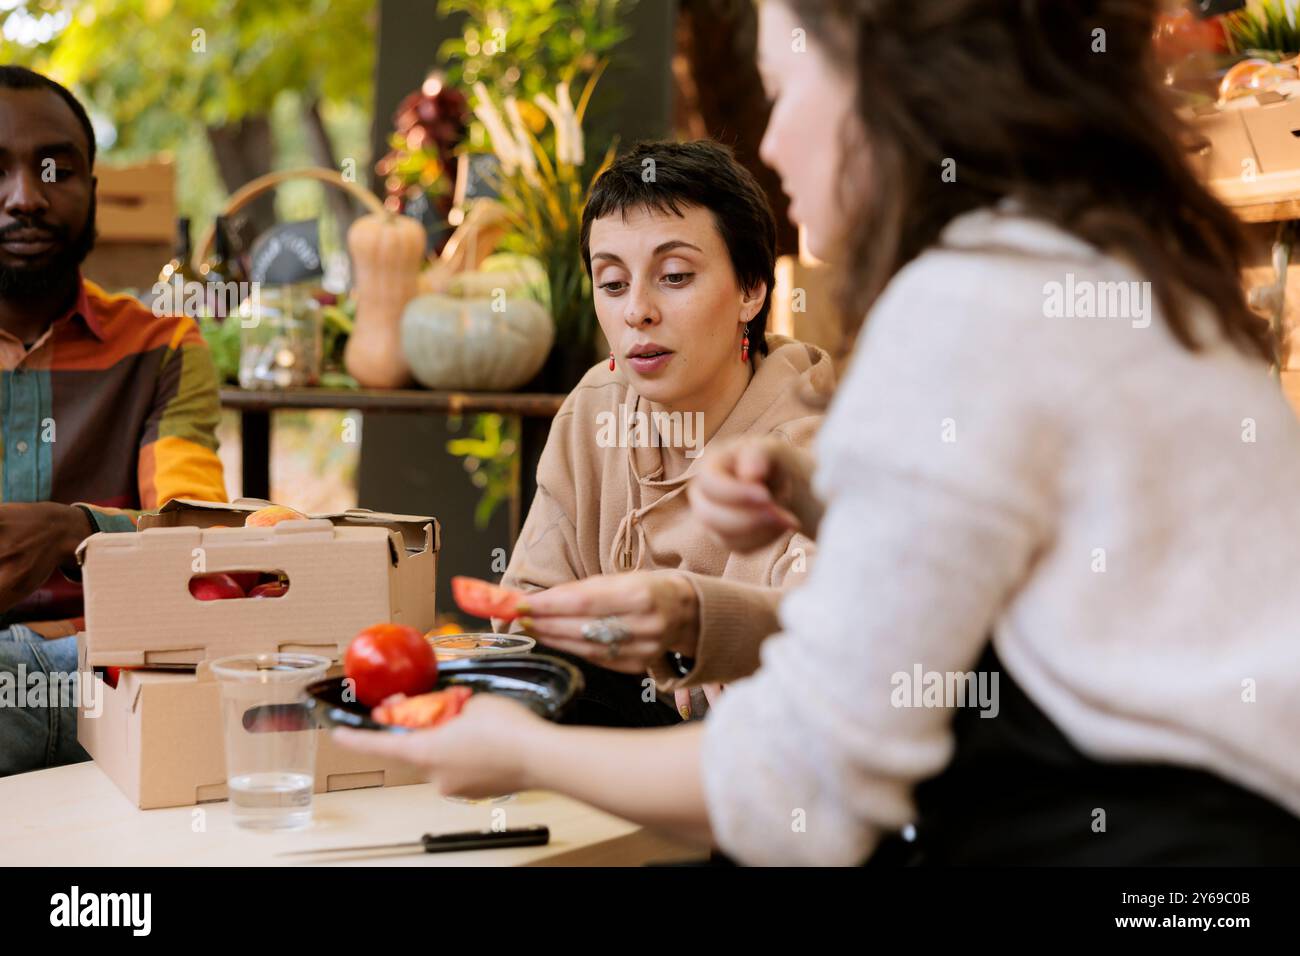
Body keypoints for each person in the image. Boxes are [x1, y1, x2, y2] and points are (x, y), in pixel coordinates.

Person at [340, 0, 1300, 864]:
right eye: (613, 279)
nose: (776, 141)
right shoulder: (1110, 271)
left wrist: (522, 749)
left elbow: (803, 786)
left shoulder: (967, 306)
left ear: (891, 90)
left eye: (784, 89)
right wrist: (820, 499)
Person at [496, 139, 834, 725]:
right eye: (612, 283)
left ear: (751, 291)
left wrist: (731, 632)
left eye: (674, 276)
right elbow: (522, 611)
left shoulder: (812, 441)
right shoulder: (594, 410)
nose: (637, 312)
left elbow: (829, 620)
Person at [0, 67, 227, 776]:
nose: (25, 198)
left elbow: (203, 541)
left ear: (94, 192)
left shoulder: (162, 347)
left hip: (108, 668)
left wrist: (80, 531)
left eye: (55, 171)